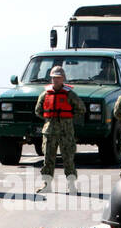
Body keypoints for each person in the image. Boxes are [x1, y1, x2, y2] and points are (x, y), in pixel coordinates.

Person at [34, 65, 84, 194]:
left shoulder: (70, 94)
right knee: (48, 158)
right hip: (49, 131)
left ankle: (72, 185)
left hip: (66, 132)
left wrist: (67, 119)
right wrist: (49, 119)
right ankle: (47, 185)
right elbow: (38, 111)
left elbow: (81, 109)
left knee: (68, 158)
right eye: (53, 78)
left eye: (58, 78)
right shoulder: (45, 94)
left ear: (63, 79)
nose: (55, 80)